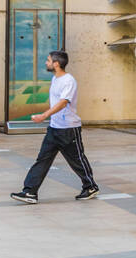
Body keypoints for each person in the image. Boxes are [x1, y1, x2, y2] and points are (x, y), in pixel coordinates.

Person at [11, 50, 100, 204]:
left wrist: (44, 115)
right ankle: (30, 192)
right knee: (42, 160)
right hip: (54, 128)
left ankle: (90, 186)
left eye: (48, 60)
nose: (46, 63)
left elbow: (64, 102)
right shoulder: (55, 79)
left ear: (56, 64)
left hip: (69, 129)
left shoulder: (68, 80)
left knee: (77, 159)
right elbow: (55, 102)